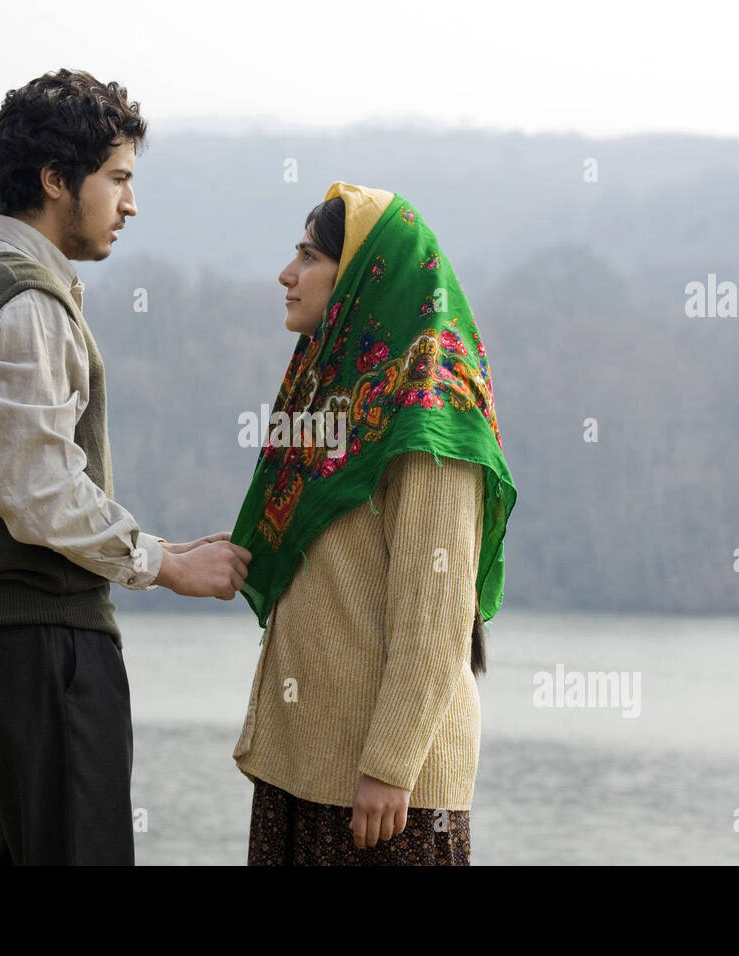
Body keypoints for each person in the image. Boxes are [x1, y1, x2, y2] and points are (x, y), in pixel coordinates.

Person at [0, 69, 250, 866]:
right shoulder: (28, 303)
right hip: (43, 654)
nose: (129, 204)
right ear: (56, 180)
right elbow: (34, 491)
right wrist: (164, 563)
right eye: (118, 179)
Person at [230, 182, 516, 865]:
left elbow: (438, 606)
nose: (287, 274)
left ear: (361, 275)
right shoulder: (341, 398)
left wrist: (390, 766)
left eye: (308, 256)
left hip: (387, 795)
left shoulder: (429, 410)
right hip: (310, 771)